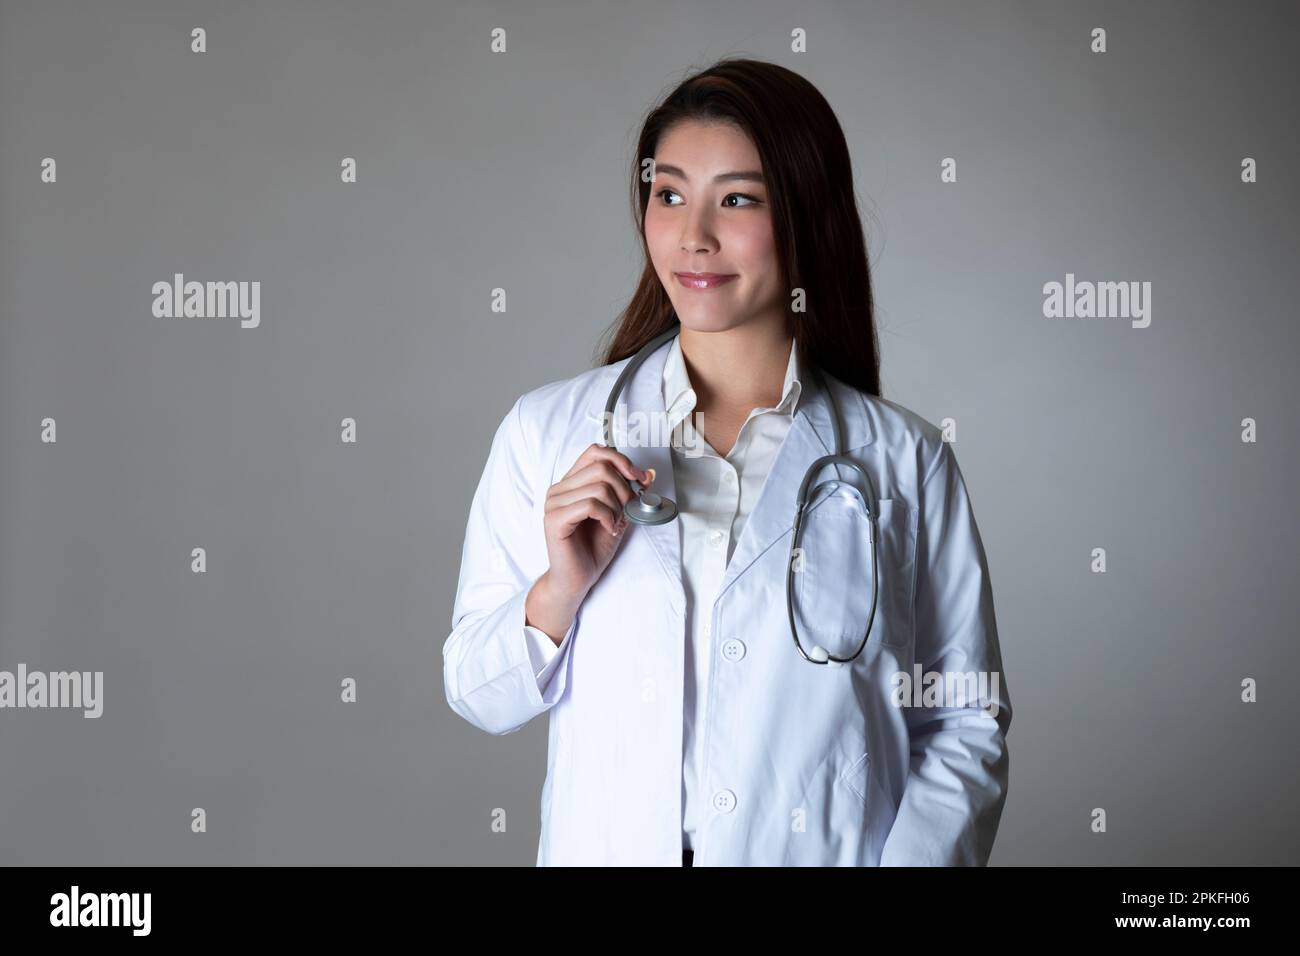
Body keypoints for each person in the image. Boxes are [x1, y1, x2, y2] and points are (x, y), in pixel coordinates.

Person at [443, 57, 1010, 866]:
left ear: (807, 216)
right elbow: (477, 692)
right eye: (668, 194)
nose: (693, 235)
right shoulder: (546, 431)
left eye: (737, 199)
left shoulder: (903, 461)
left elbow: (962, 720)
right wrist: (558, 590)